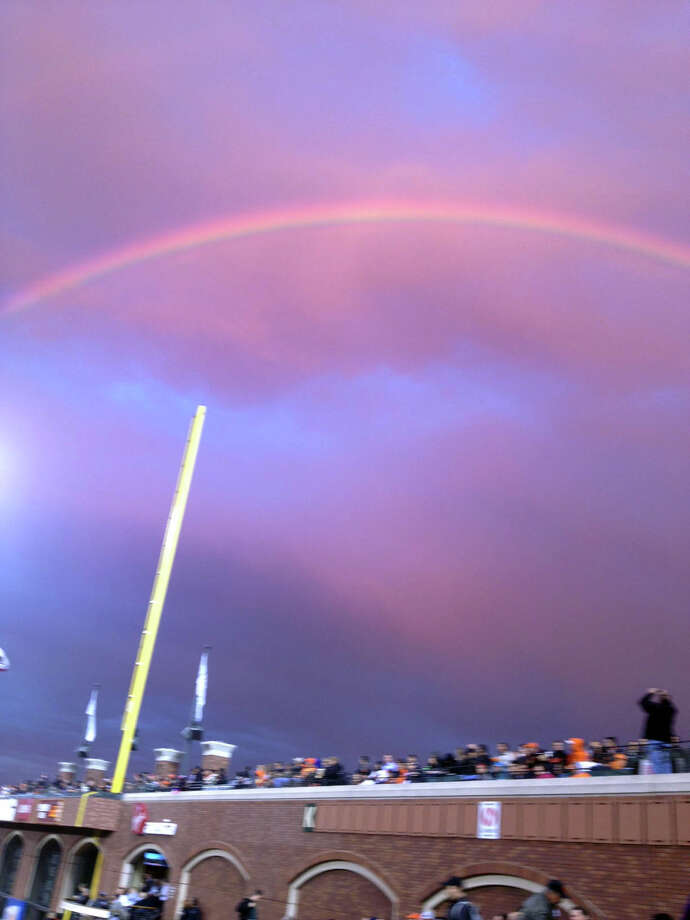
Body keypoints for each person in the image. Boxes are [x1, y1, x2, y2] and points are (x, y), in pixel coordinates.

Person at [639, 689, 677, 773]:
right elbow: (669, 705)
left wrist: (650, 693)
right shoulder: (671, 710)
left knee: (657, 764)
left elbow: (642, 702)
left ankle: (662, 784)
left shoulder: (654, 707)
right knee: (666, 765)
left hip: (654, 741)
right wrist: (664, 695)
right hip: (666, 741)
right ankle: (667, 783)